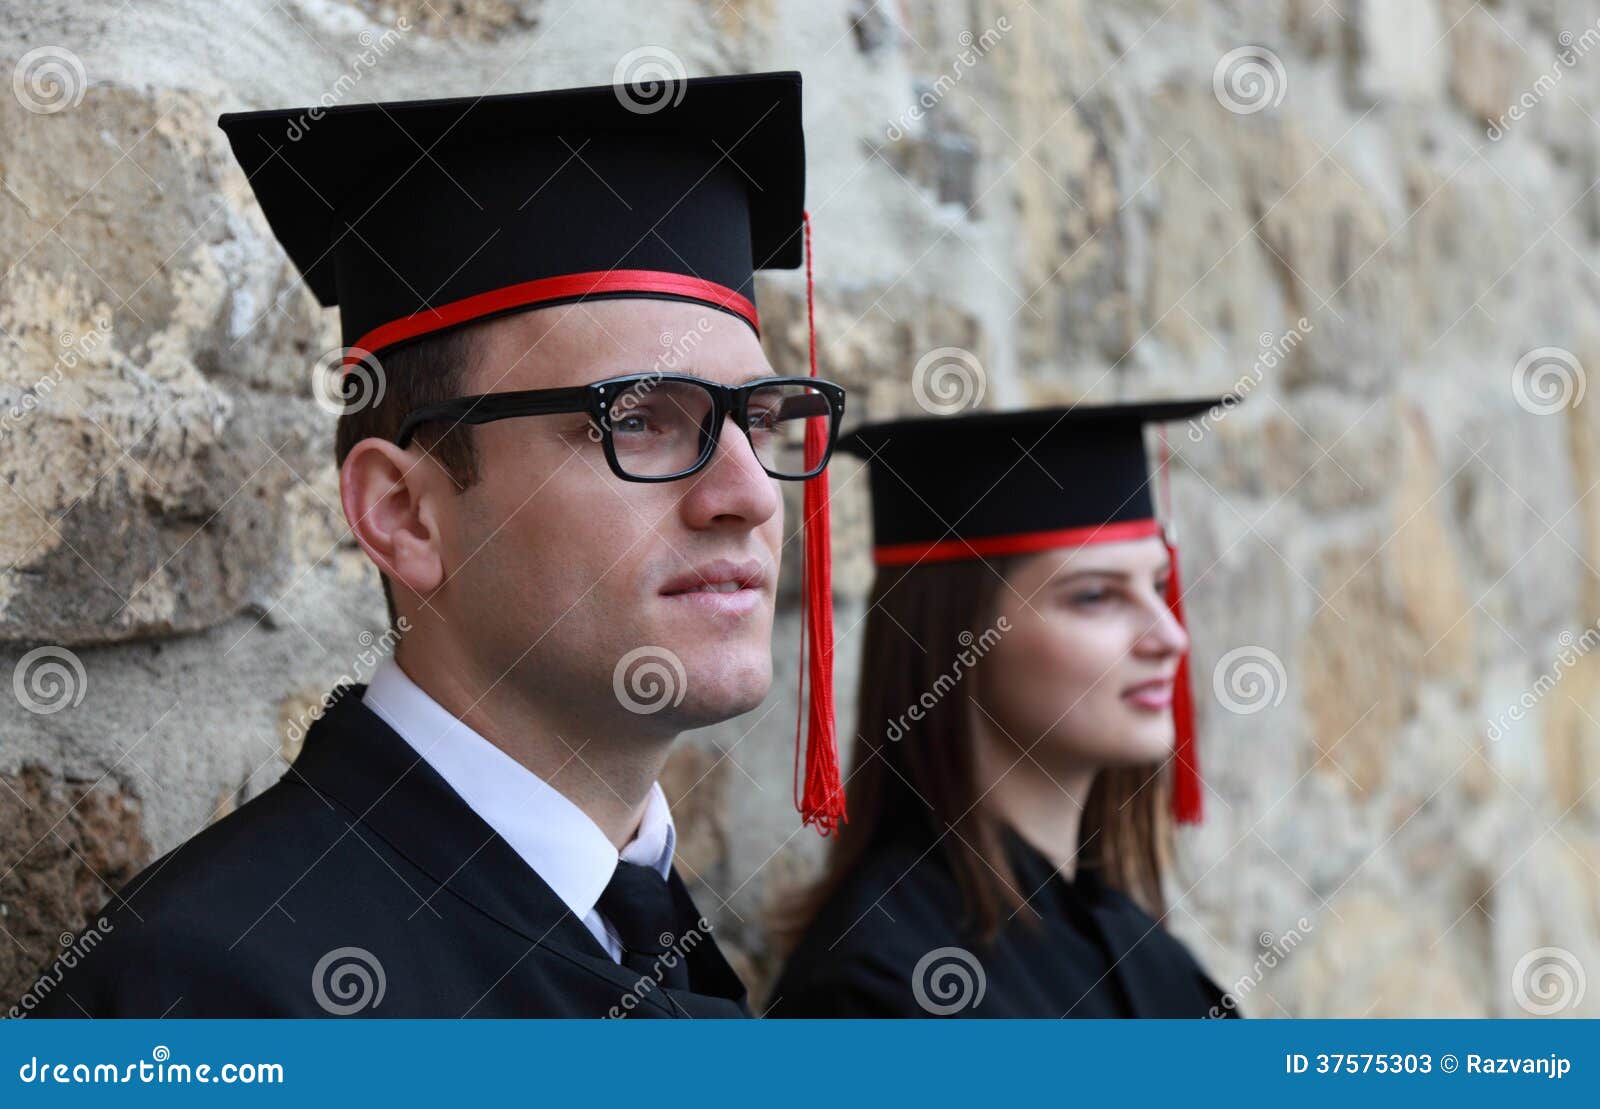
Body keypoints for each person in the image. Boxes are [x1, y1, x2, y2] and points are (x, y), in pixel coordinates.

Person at [19, 71, 849, 1019]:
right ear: (405, 514)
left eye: (764, 421)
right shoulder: (209, 995)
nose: (747, 495)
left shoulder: (653, 934)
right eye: (640, 419)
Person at [767, 400, 1242, 1018]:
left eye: (1157, 587)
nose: (1169, 638)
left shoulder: (1141, 950)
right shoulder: (877, 989)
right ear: (956, 636)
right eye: (1095, 596)